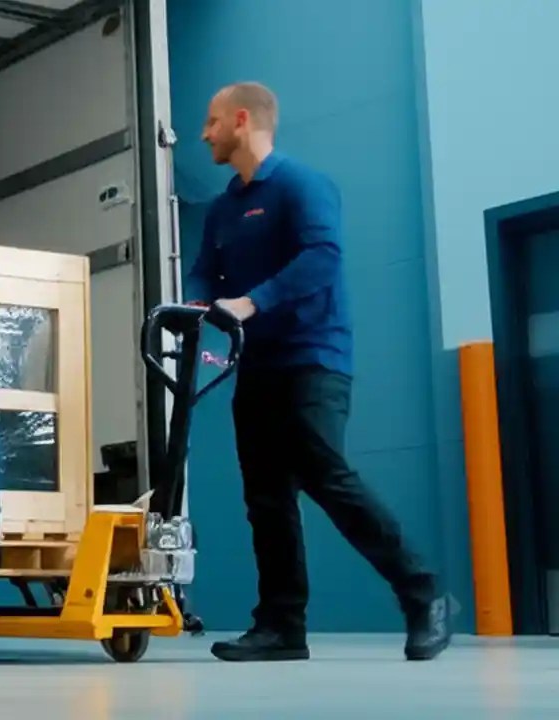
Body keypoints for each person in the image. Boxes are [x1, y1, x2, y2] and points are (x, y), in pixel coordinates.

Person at [183, 82, 451, 662]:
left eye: (210, 122)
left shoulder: (302, 185)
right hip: (254, 363)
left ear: (241, 119)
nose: (203, 133)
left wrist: (252, 302)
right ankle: (282, 626)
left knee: (325, 474)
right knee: (266, 498)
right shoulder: (226, 206)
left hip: (314, 357)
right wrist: (194, 305)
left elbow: (323, 255)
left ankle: (423, 592)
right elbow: (205, 272)